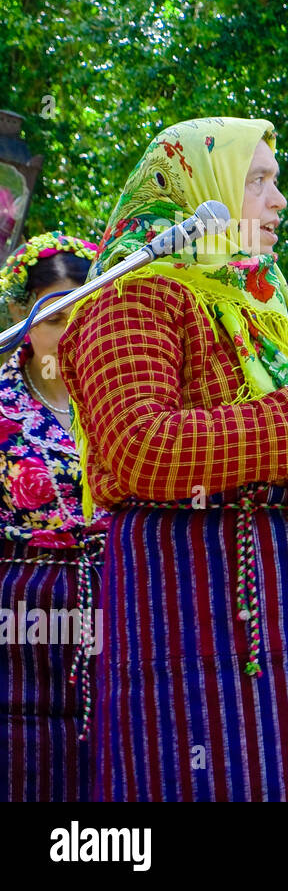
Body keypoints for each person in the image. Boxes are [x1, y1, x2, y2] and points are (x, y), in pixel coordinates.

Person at [58, 117, 288, 801]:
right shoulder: (132, 296)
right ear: (198, 188)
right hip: (200, 629)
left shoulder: (268, 303)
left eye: (277, 183)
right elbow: (135, 447)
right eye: (258, 181)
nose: (280, 202)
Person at [0, 232, 108, 801]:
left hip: (116, 624)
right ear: (21, 316)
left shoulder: (123, 408)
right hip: (19, 630)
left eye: (87, 315)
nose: (74, 336)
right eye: (58, 317)